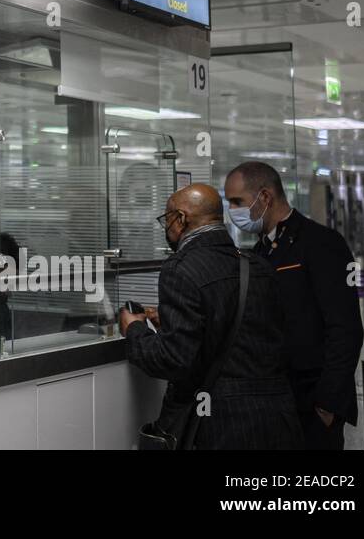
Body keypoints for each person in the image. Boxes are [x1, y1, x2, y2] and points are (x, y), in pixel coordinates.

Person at [121, 183, 301, 449]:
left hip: (221, 425)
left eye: (167, 218)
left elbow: (173, 360)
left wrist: (135, 329)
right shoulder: (257, 264)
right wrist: (171, 319)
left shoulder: (180, 269)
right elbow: (256, 332)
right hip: (278, 418)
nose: (166, 227)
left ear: (180, 219)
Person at [224, 161, 364, 450]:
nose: (232, 210)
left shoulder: (321, 243)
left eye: (237, 201)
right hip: (275, 401)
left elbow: (346, 329)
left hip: (313, 403)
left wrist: (328, 405)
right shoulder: (260, 250)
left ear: (265, 197)